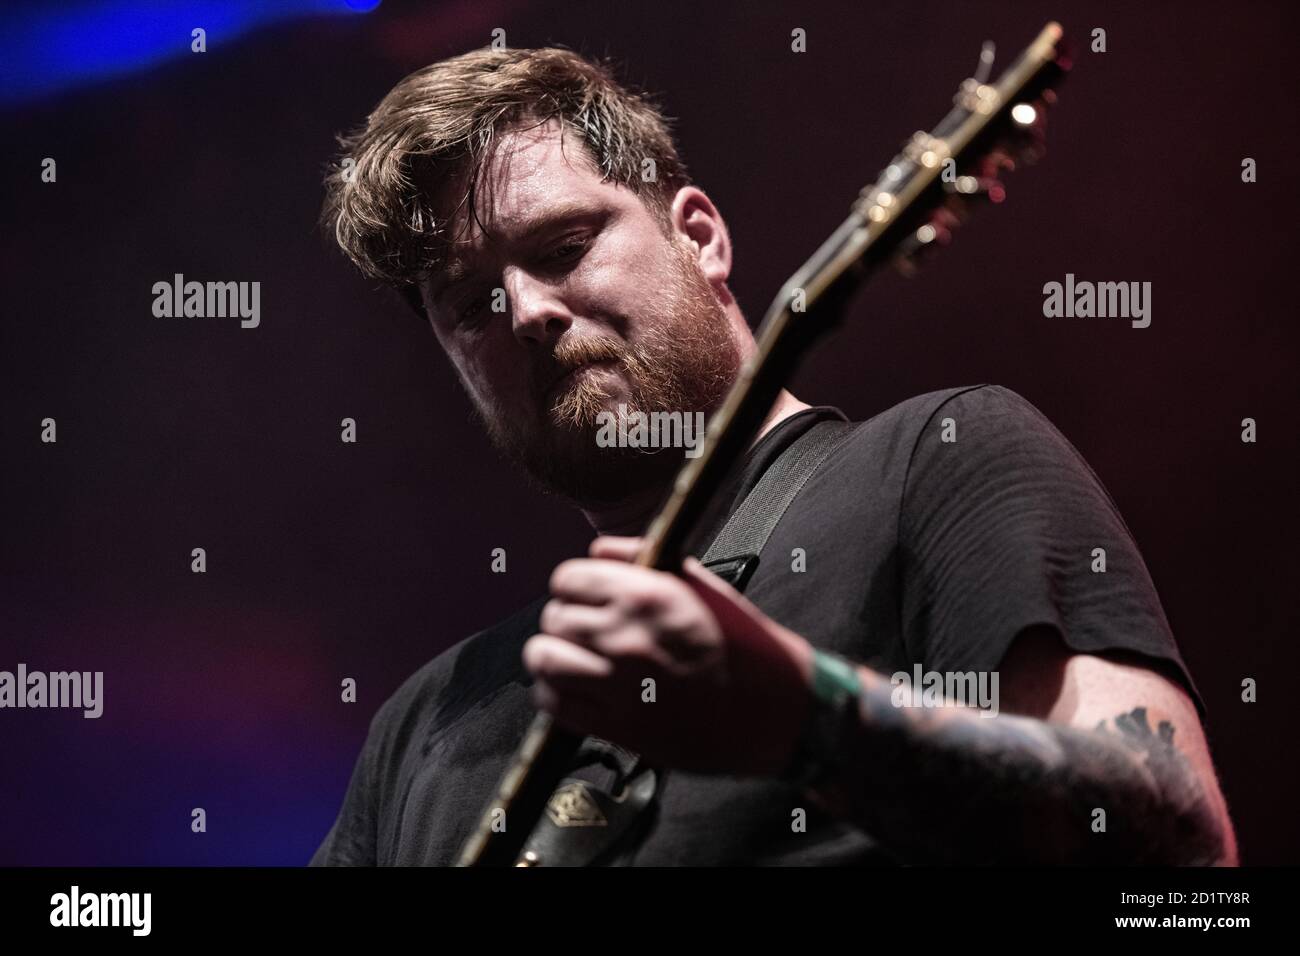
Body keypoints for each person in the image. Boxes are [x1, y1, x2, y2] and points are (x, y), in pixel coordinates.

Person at [309, 47, 1236, 866]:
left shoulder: (941, 460)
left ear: (699, 238)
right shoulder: (425, 722)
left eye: (563, 246)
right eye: (471, 305)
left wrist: (805, 719)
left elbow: (1180, 848)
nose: (527, 312)